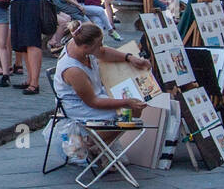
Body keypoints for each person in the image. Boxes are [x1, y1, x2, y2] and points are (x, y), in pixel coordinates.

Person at [52, 22, 151, 163]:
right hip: (79, 106)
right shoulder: (73, 70)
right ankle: (90, 143)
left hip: (95, 95)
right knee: (128, 112)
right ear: (86, 47)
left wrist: (130, 58)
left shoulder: (80, 44)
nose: (100, 46)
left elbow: (103, 52)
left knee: (132, 110)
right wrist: (126, 101)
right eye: (98, 44)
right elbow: (92, 102)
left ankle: (101, 146)